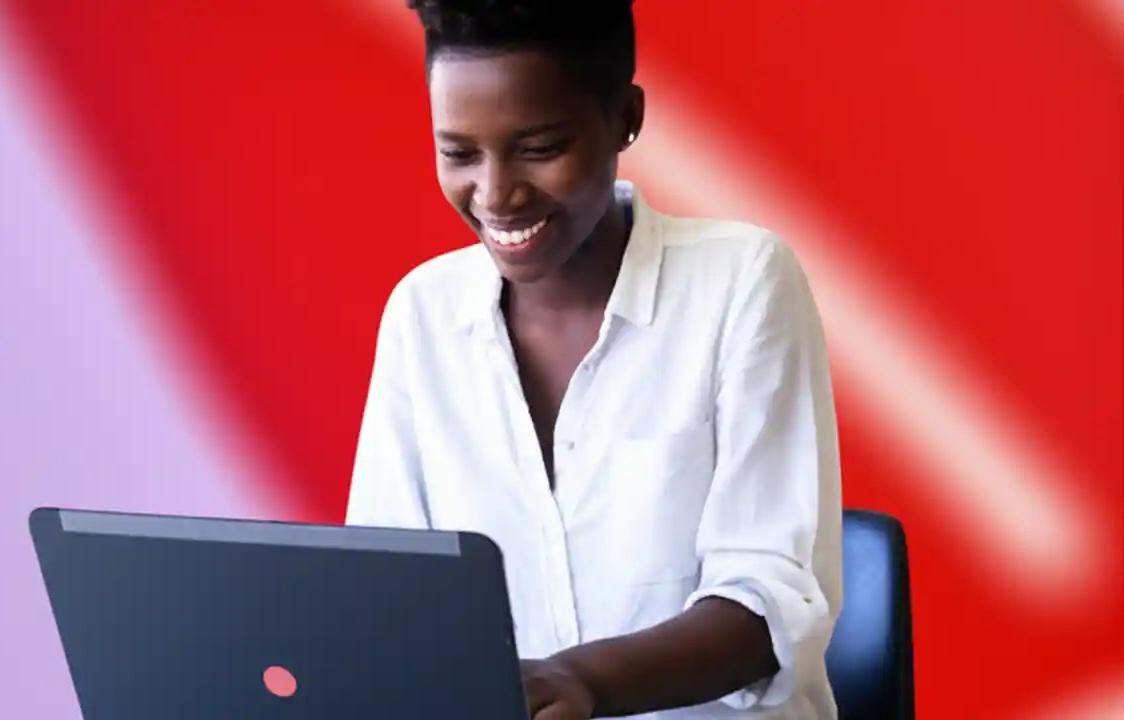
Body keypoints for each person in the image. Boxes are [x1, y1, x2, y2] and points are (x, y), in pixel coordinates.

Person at [346, 1, 842, 718]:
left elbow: (769, 605)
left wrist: (583, 683)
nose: (495, 193)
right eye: (459, 152)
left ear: (624, 118)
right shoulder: (423, 314)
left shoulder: (742, 282)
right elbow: (385, 594)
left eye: (540, 147)